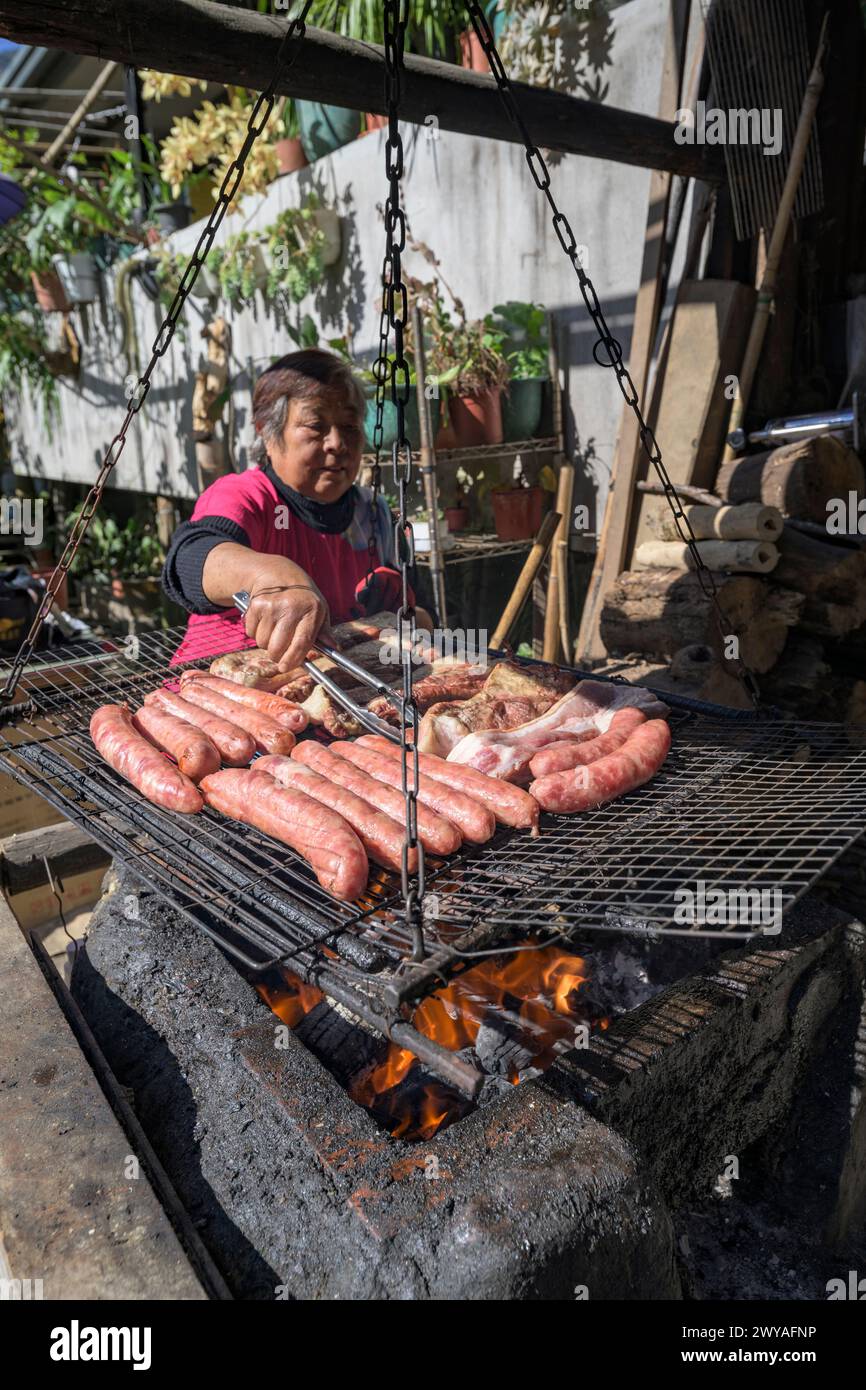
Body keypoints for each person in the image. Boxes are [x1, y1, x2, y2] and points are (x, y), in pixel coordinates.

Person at [163, 349, 432, 669]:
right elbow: (189, 558)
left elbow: (424, 622)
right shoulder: (245, 496)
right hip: (218, 691)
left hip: (332, 698)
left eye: (349, 427)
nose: (337, 443)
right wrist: (267, 576)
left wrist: (405, 616)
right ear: (267, 430)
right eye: (316, 426)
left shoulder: (374, 516)